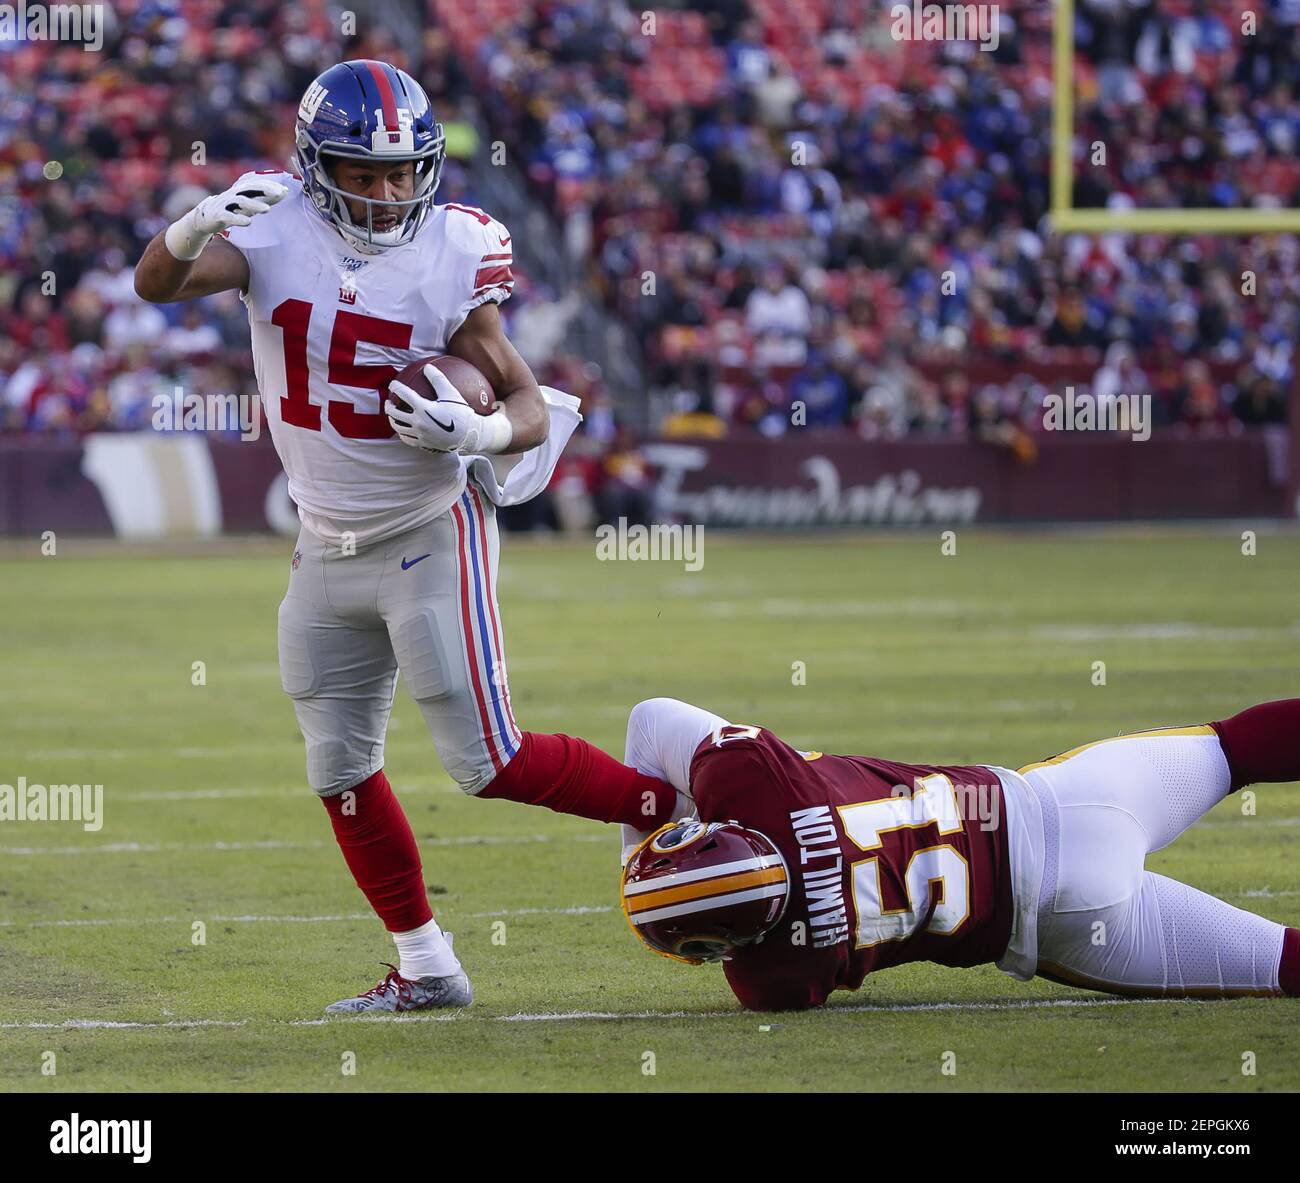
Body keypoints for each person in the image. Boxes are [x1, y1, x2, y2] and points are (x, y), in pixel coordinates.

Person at [133, 60, 677, 1014]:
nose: (387, 194)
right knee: (339, 768)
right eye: (364, 173)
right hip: (323, 542)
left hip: (430, 529)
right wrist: (195, 220)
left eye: (401, 173)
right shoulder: (272, 229)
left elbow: (524, 402)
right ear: (315, 164)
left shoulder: (452, 249)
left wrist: (480, 433)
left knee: (489, 762)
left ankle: (671, 806)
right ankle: (426, 964)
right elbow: (156, 286)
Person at [617, 696, 1300, 1011]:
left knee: (1284, 964)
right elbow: (650, 719)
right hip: (1067, 800)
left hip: (1058, 925)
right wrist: (637, 848)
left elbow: (751, 948)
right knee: (1237, 746)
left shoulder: (777, 977)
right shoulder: (754, 778)